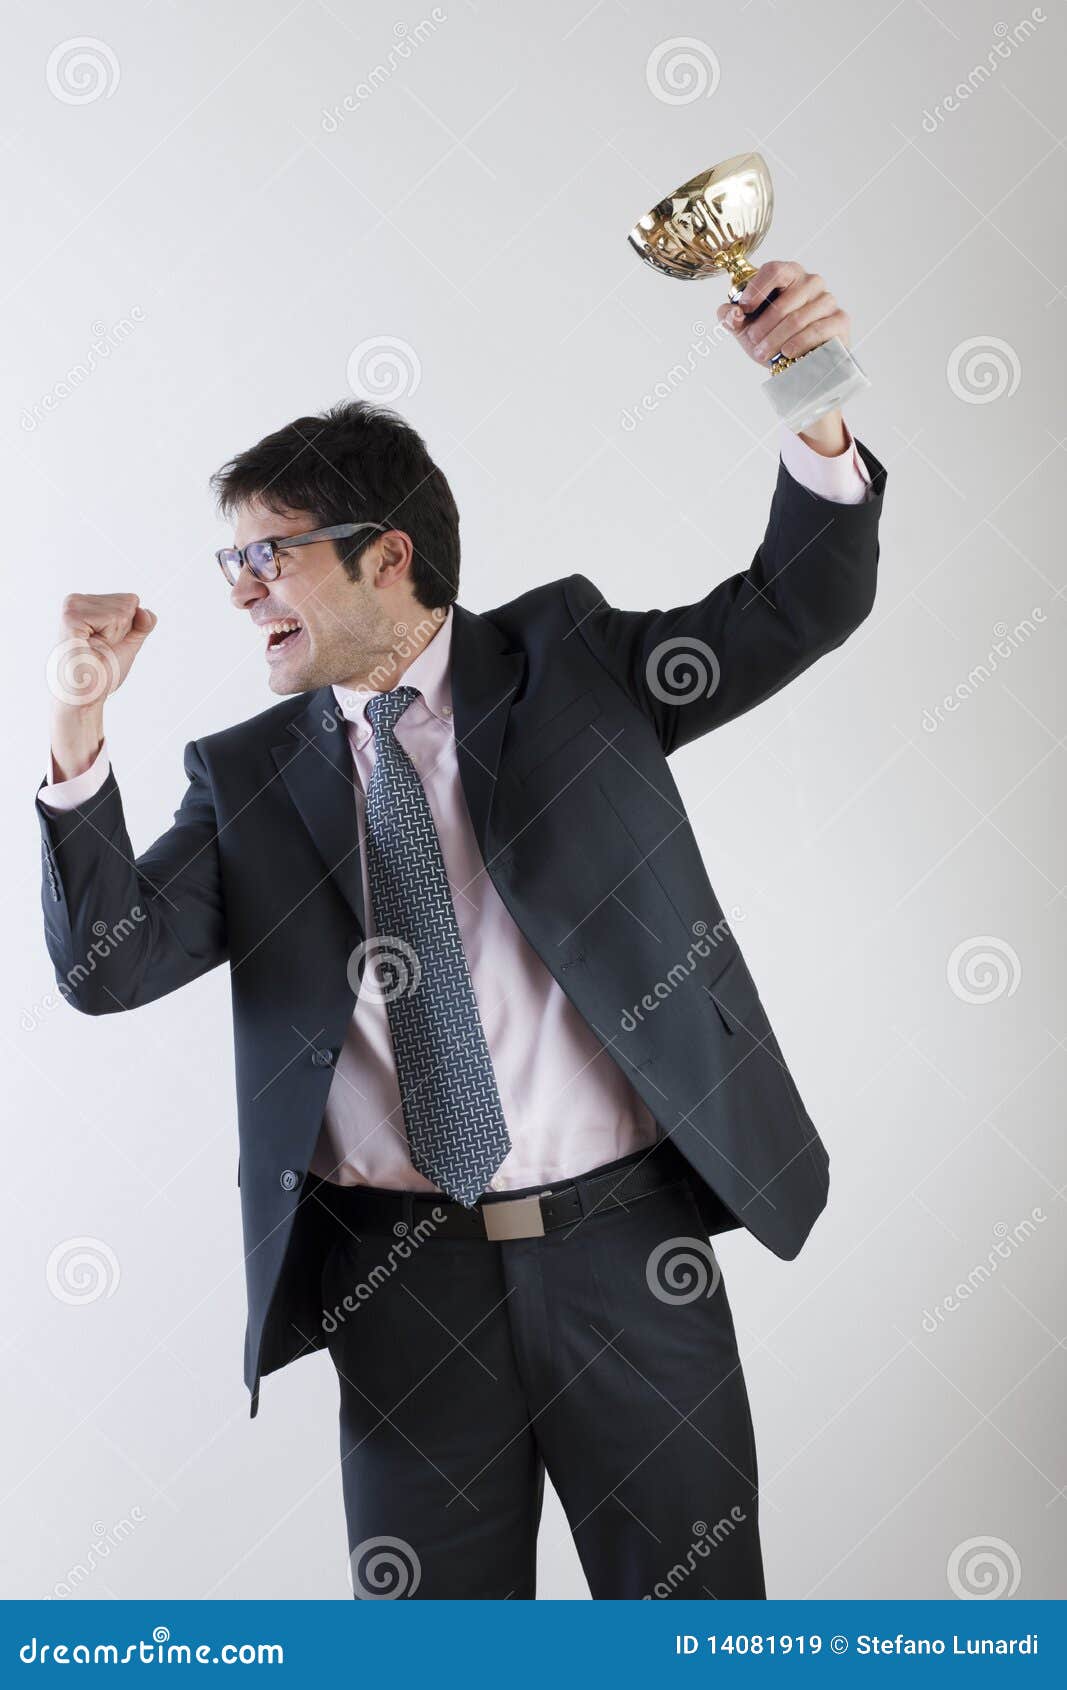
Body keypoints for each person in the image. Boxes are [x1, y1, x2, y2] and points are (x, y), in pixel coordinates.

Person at [36, 260, 886, 1599]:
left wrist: (811, 395)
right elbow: (107, 962)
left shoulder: (576, 665)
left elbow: (799, 604)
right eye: (233, 560)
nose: (243, 589)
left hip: (626, 1255)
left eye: (272, 555)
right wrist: (78, 726)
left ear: (388, 554)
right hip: (402, 1288)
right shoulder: (250, 779)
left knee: (694, 1636)